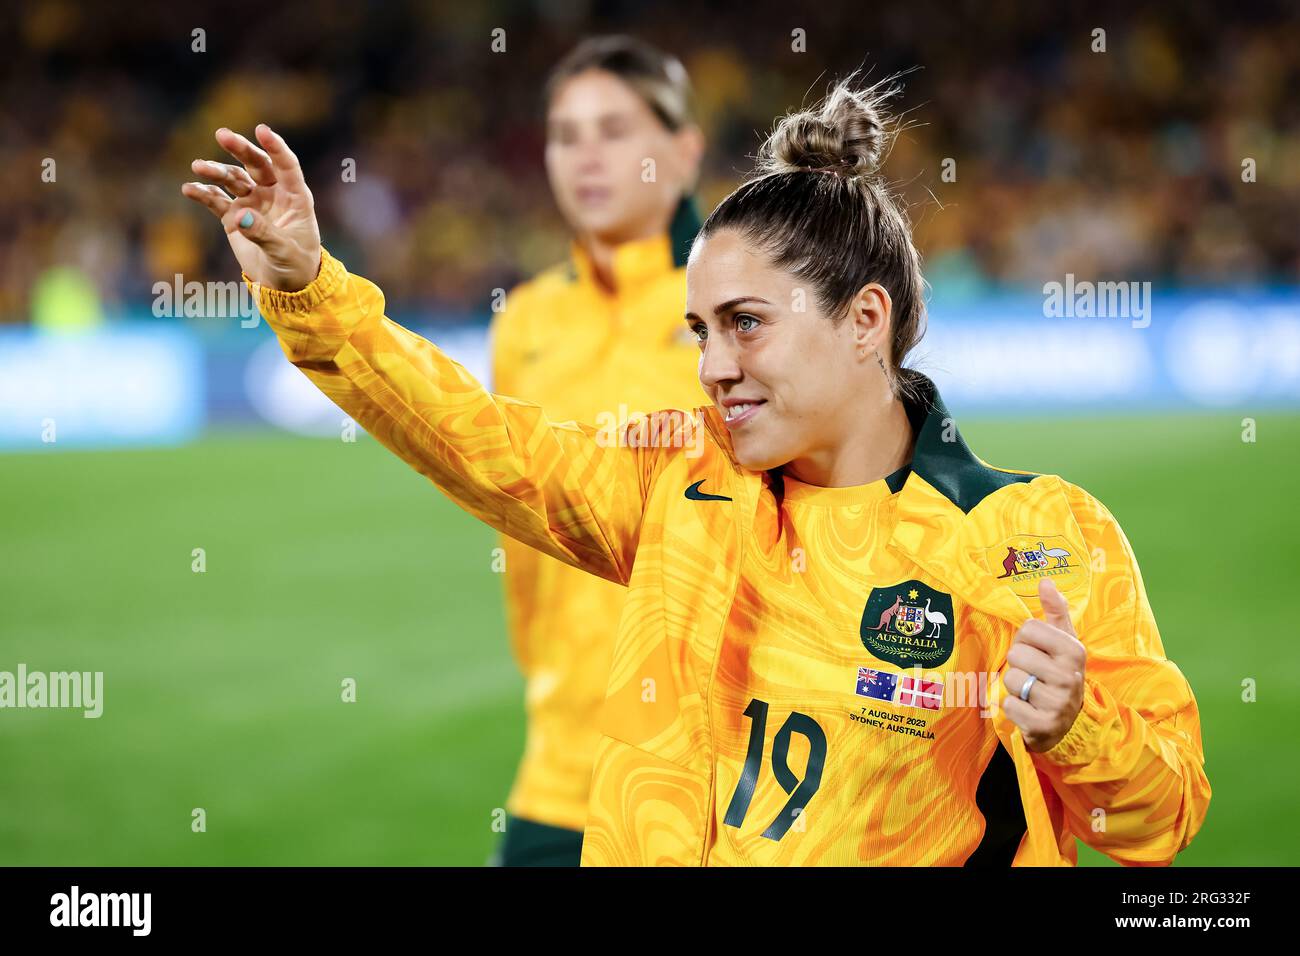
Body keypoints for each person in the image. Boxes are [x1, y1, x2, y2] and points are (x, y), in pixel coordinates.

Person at [182, 72, 1210, 866]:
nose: (713, 366)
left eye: (745, 324)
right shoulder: (679, 478)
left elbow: (1157, 822)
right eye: (698, 330)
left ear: (864, 321)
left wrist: (1076, 725)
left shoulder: (1029, 537)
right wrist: (311, 288)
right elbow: (479, 440)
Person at [484, 37, 706, 865]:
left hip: (709, 782)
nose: (586, 157)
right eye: (565, 135)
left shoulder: (741, 307)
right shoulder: (528, 322)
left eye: (614, 129)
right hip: (557, 775)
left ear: (682, 151)